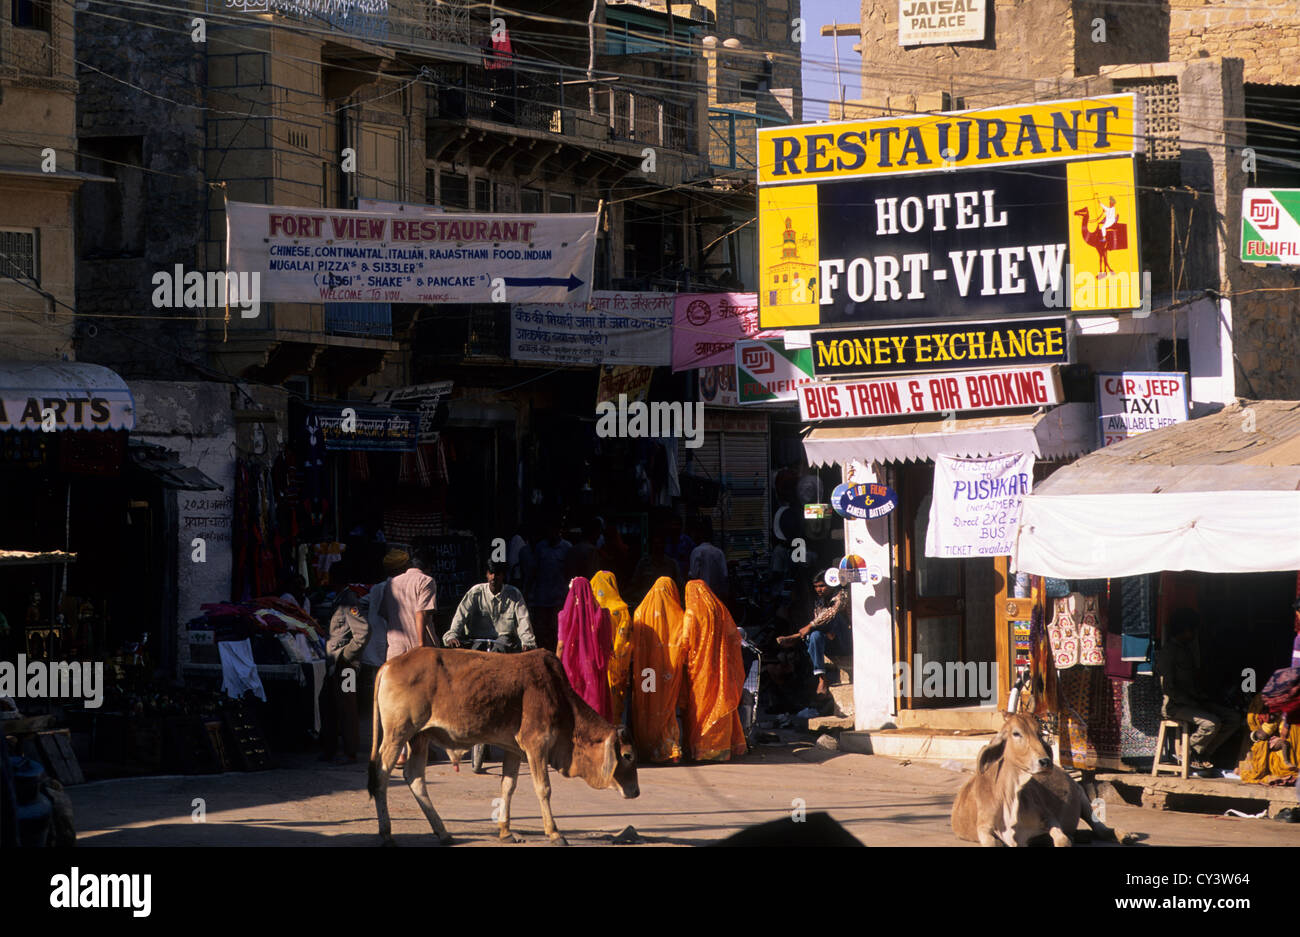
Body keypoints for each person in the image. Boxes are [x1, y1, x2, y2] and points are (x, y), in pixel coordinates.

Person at [1155, 609, 1236, 769]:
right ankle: (1188, 752)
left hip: (1194, 701)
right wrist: (1190, 701)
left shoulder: (1187, 650)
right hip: (1176, 706)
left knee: (1234, 719)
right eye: (1192, 631)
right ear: (1185, 630)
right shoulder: (1169, 652)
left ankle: (1203, 753)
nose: (1193, 635)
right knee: (1211, 723)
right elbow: (1169, 688)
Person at [680, 580, 747, 762]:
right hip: (721, 668)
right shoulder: (720, 610)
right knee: (720, 700)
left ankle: (703, 749)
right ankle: (721, 749)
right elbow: (735, 636)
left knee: (702, 706)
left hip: (699, 670)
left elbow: (685, 642)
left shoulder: (691, 613)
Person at [628, 576, 685, 763]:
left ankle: (647, 746)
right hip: (668, 672)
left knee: (647, 704)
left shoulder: (639, 612)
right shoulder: (678, 615)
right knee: (666, 707)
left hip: (647, 673)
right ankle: (667, 748)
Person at [777, 571, 849, 698]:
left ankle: (795, 637)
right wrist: (811, 629)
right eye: (816, 587)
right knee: (815, 635)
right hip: (828, 638)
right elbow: (818, 624)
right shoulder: (819, 601)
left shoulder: (841, 595)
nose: (818, 589)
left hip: (843, 640)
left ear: (830, 585)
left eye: (822, 586)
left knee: (834, 618)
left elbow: (830, 614)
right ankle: (822, 677)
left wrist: (809, 626)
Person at [320, 585, 371, 763]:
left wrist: (346, 656)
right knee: (328, 703)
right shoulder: (340, 598)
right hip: (335, 664)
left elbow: (363, 632)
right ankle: (330, 749)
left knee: (347, 706)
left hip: (346, 666)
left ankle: (350, 752)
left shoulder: (348, 600)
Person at [442, 560, 537, 651]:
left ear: (503, 576)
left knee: (499, 649)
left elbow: (523, 621)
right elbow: (460, 617)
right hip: (478, 639)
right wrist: (452, 635)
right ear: (487, 575)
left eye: (497, 574)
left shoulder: (514, 594)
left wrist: (527, 642)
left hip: (504, 641)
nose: (493, 577)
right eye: (491, 573)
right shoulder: (475, 592)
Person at [556, 577, 613, 721]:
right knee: (593, 700)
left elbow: (561, 645)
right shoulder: (601, 615)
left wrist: (556, 664)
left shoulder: (565, 616)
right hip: (592, 666)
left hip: (571, 667)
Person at [379, 547, 438, 658]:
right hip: (418, 651)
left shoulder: (391, 583)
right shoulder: (426, 580)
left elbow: (385, 614)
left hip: (395, 649)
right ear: (429, 567)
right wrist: (421, 646)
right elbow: (422, 613)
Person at [591, 570, 633, 726]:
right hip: (615, 668)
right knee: (614, 705)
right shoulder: (622, 610)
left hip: (595, 665)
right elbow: (625, 643)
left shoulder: (590, 611)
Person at [530, 518, 572, 652]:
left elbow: (569, 573)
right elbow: (534, 571)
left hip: (559, 600)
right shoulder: (540, 547)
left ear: (559, 531)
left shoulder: (567, 547)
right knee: (542, 633)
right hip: (542, 599)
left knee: (557, 633)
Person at [629, 531, 682, 606]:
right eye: (655, 543)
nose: (658, 546)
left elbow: (680, 587)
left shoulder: (672, 564)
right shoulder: (643, 563)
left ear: (664, 545)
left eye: (661, 543)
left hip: (667, 605)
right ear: (651, 545)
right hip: (646, 605)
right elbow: (634, 585)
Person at [688, 518, 728, 602]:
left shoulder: (697, 551)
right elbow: (724, 576)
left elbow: (693, 575)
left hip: (701, 598)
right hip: (717, 597)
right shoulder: (719, 552)